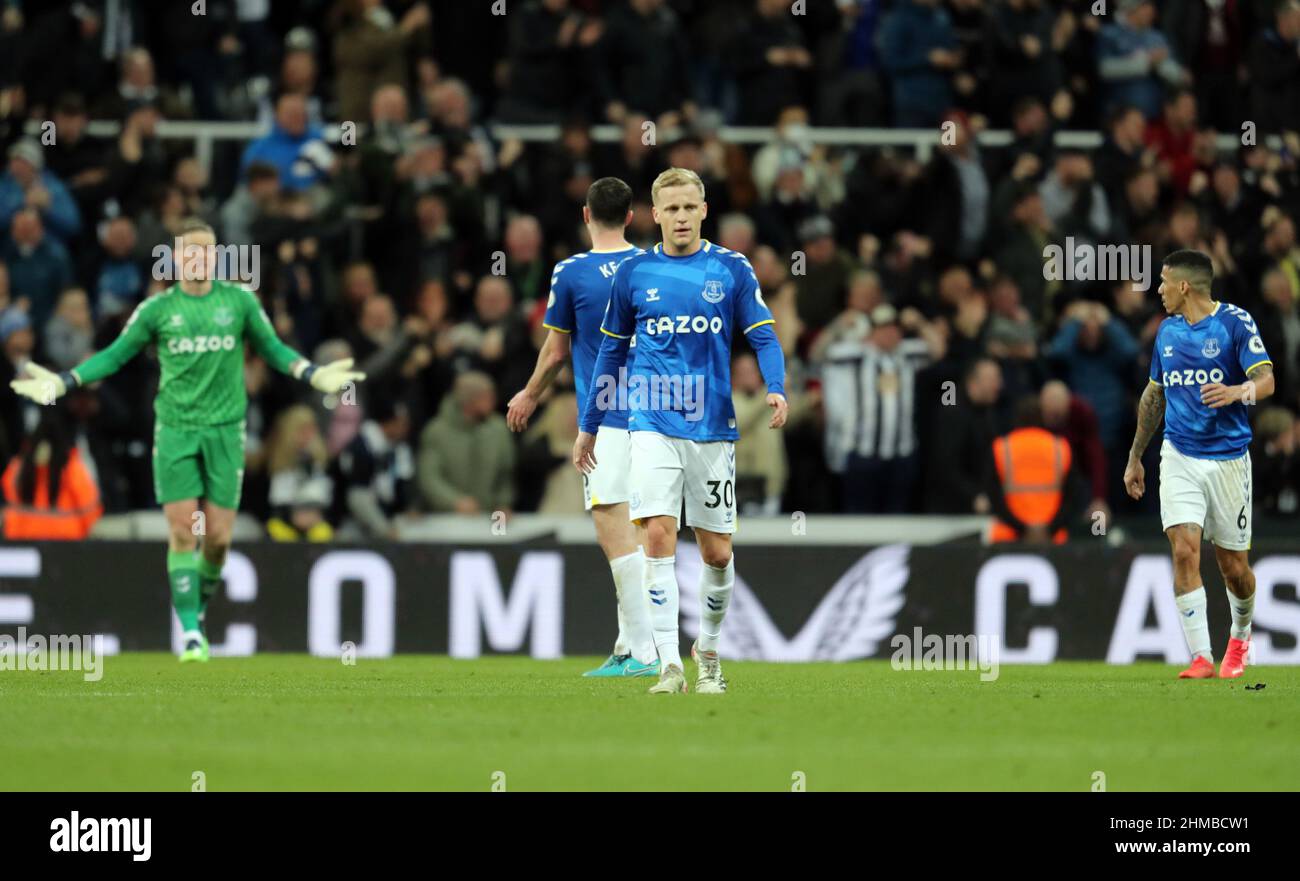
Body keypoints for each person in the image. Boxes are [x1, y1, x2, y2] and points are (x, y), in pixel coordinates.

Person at [9, 219, 363, 662]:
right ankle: (192, 633)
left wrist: (312, 372)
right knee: (182, 529)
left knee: (216, 537)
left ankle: (198, 601)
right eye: (189, 252)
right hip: (175, 430)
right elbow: (115, 356)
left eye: (206, 252)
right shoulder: (157, 311)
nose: (198, 259)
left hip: (226, 432)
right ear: (175, 259)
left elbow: (272, 348)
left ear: (215, 258)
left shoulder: (238, 302)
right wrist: (64, 382)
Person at [574, 167, 788, 695]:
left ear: (704, 210)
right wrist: (590, 426)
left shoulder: (731, 269)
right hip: (651, 423)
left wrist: (776, 385)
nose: (681, 217)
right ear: (655, 215)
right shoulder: (635, 274)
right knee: (658, 537)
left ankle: (707, 650)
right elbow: (609, 351)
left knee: (717, 551)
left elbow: (762, 335)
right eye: (670, 209)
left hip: (713, 425)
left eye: (690, 207)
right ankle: (670, 664)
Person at [506, 177, 657, 679]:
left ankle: (645, 652)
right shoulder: (655, 266)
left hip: (609, 416)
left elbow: (555, 351)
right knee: (644, 528)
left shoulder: (571, 272)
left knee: (613, 527)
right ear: (632, 217)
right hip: (661, 415)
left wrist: (529, 394)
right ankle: (627, 645)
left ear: (587, 215)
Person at [1124, 250, 1274, 680]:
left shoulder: (1234, 323)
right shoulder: (1167, 333)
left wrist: (1236, 392)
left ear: (1184, 286)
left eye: (1163, 282)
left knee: (1234, 568)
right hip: (1180, 454)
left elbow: (1267, 380)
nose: (1159, 290)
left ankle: (1240, 638)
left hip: (1228, 459)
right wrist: (1136, 456)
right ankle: (1202, 657)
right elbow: (1155, 397)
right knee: (1185, 550)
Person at [2, 406, 101, 540]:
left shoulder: (19, 466)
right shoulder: (71, 467)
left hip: (23, 537)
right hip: (65, 539)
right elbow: (89, 506)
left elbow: (8, 491)